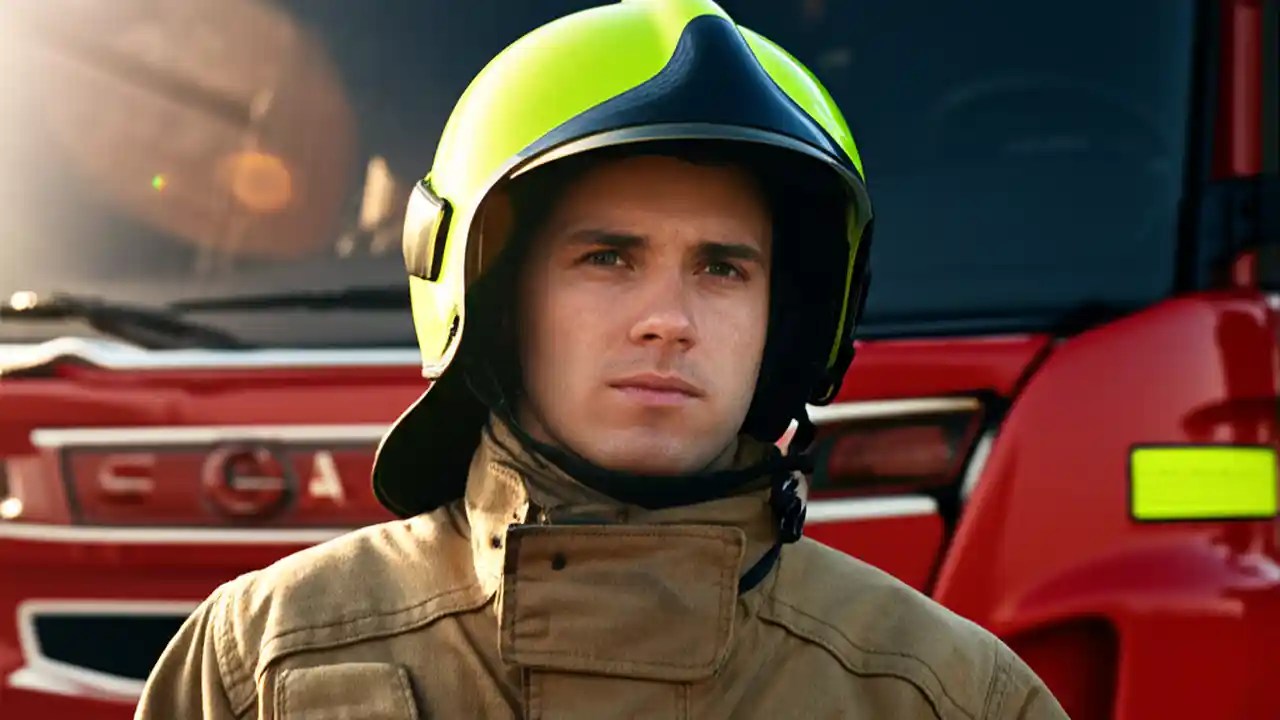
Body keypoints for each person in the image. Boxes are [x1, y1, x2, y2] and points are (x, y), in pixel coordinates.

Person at [136, 1, 1068, 717]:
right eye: (608, 258)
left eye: (722, 267)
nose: (669, 320)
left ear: (790, 320)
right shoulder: (263, 660)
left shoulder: (944, 694)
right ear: (494, 297)